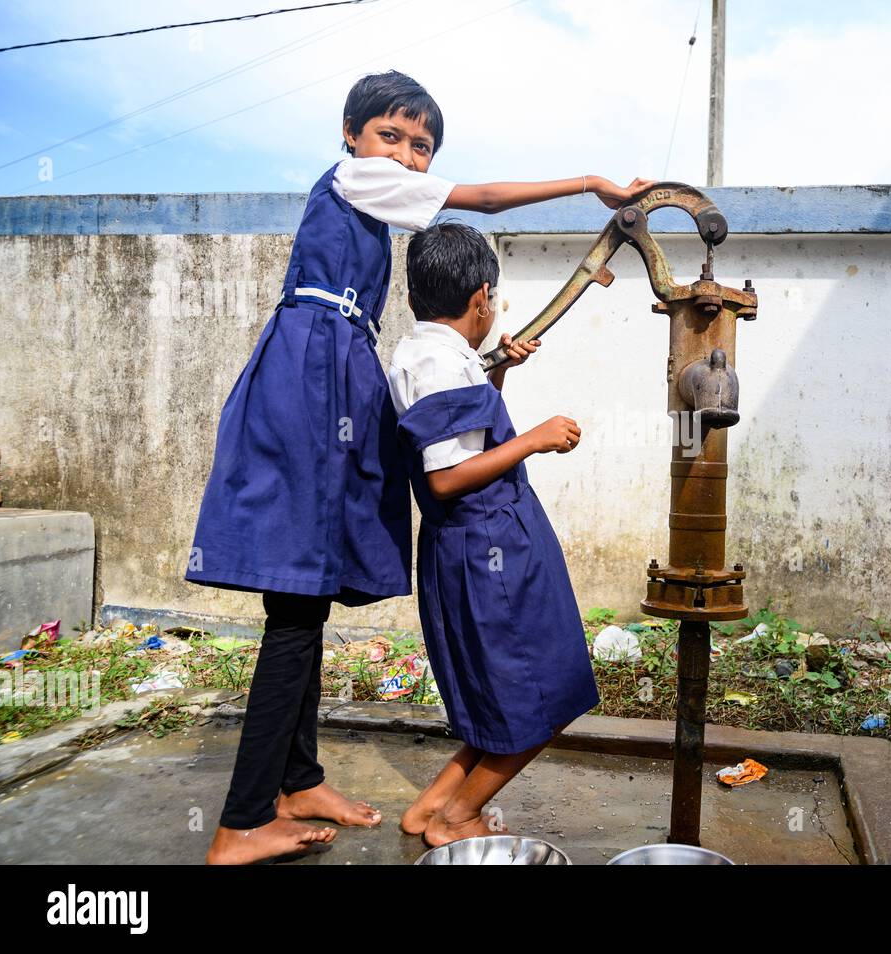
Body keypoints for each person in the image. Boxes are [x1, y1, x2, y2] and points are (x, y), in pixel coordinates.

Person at [187, 68, 655, 864]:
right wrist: (592, 185)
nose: (407, 158)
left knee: (307, 598)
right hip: (312, 374)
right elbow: (485, 199)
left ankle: (296, 780)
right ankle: (240, 821)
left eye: (422, 147)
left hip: (336, 366)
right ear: (351, 136)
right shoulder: (351, 179)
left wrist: (492, 364)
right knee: (297, 602)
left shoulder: (378, 243)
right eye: (392, 137)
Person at [390, 222, 598, 847]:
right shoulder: (438, 362)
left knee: (502, 693)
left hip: (474, 543)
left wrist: (499, 370)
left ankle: (431, 806)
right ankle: (456, 819)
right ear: (481, 297)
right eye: (492, 301)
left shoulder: (428, 352)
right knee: (544, 694)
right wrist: (536, 436)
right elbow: (449, 475)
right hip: (490, 547)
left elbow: (464, 433)